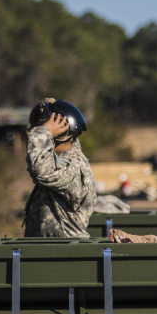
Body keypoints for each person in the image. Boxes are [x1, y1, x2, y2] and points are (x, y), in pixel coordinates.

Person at [24, 98, 97, 237]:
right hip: (51, 248)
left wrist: (44, 132)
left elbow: (41, 171)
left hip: (65, 248)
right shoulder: (60, 162)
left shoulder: (74, 167)